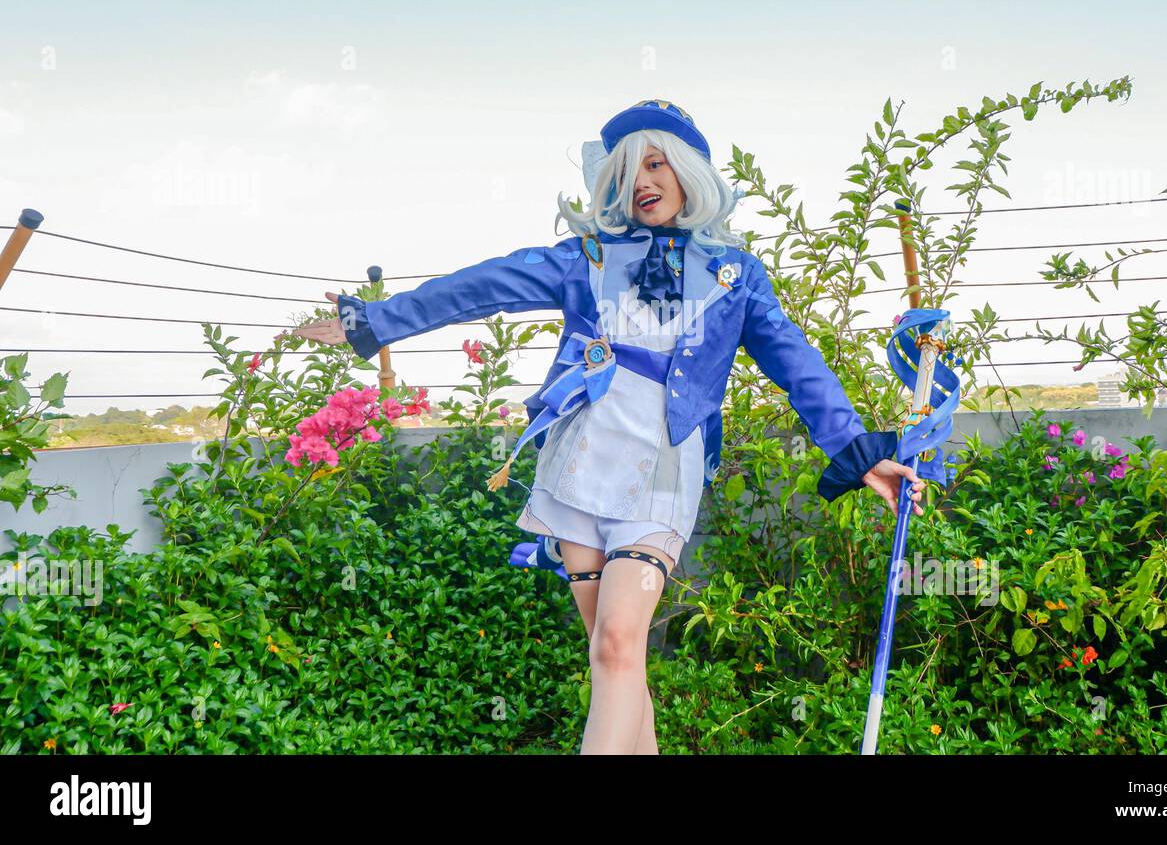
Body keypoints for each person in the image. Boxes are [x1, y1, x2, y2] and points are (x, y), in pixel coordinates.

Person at [287, 98, 924, 754]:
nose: (642, 182)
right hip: (580, 462)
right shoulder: (588, 257)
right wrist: (379, 321)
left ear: (686, 172)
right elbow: (486, 285)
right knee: (613, 655)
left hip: (664, 470)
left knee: (619, 639)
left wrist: (856, 448)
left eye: (655, 164)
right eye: (627, 172)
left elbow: (796, 362)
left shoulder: (736, 275)